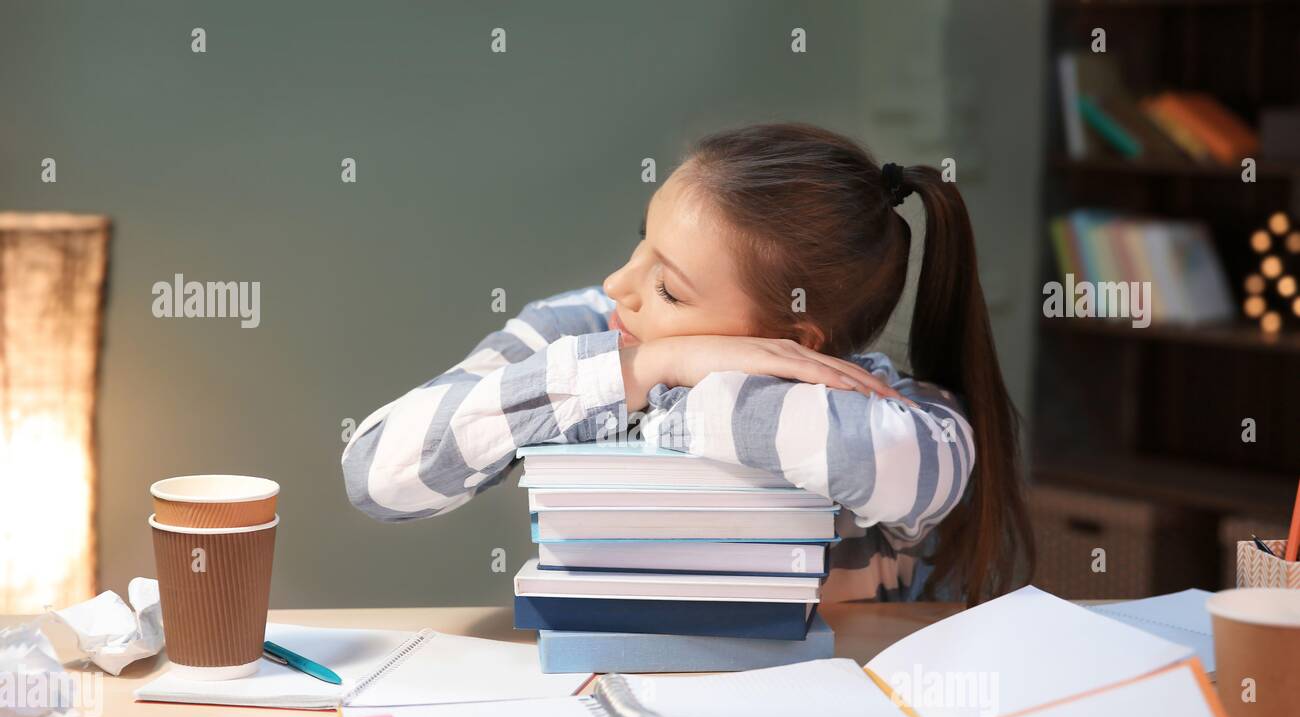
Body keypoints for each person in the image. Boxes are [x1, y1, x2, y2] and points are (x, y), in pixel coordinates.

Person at [343, 123, 1032, 604]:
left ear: (799, 340)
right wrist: (645, 367)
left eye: (669, 288)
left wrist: (682, 382)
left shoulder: (888, 410)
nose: (618, 283)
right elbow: (379, 473)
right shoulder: (583, 329)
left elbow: (904, 467)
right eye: (641, 243)